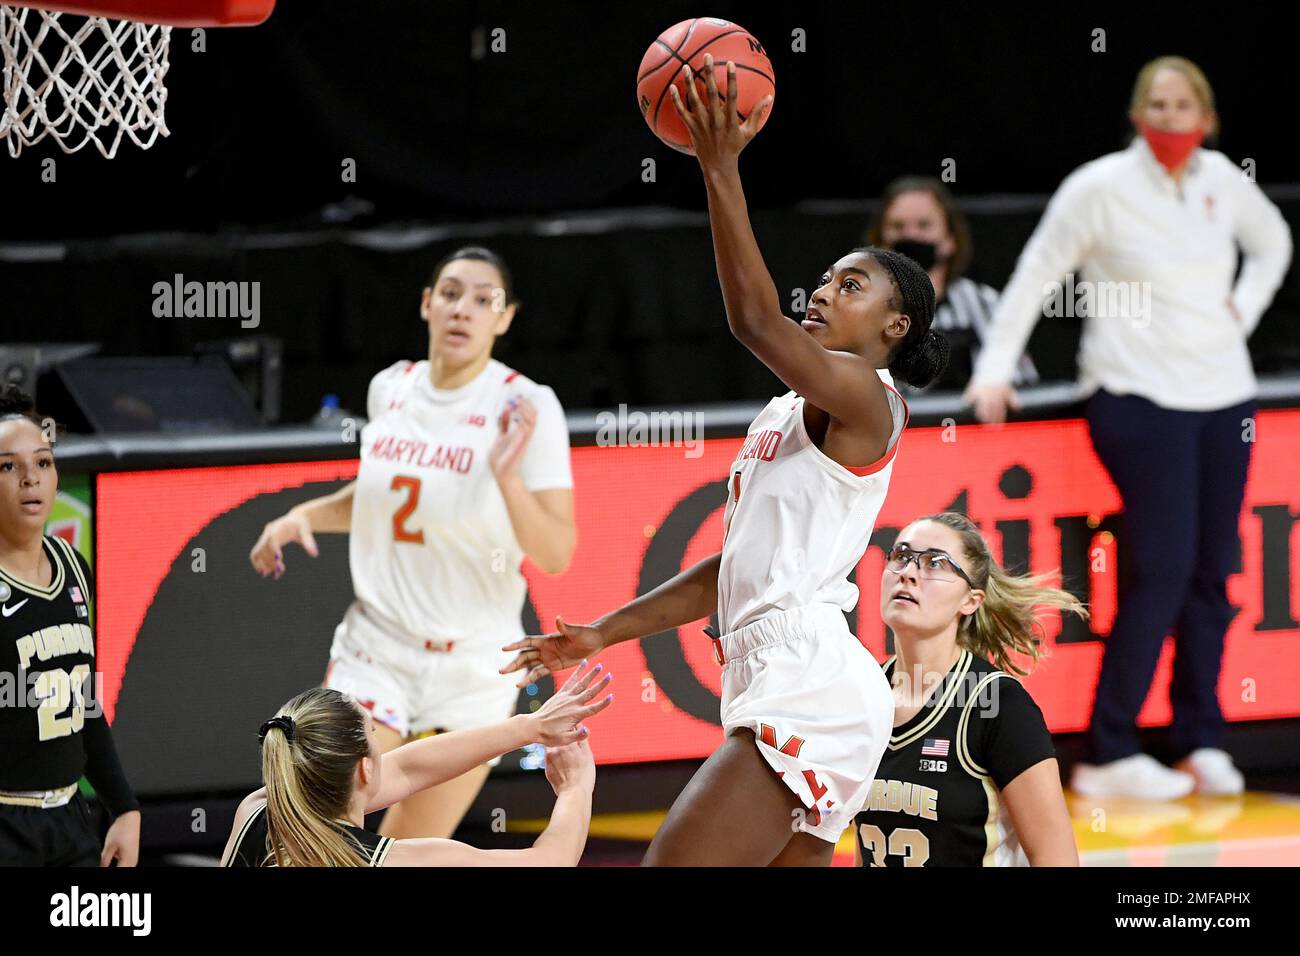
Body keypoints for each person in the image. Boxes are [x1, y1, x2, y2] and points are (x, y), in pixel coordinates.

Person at [502, 55, 949, 866]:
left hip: (810, 679)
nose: (820, 293)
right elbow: (729, 570)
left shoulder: (869, 400)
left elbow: (753, 321)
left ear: (894, 330)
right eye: (822, 280)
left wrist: (719, 167)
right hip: (777, 672)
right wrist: (603, 632)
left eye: (850, 287)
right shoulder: (792, 411)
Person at [963, 56, 1292, 798]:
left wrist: (1243, 306)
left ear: (1206, 117)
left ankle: (1200, 736)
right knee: (1163, 568)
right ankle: (1111, 748)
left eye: (1183, 105)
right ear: (1138, 114)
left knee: (1214, 572)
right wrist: (995, 367)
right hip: (1137, 397)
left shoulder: (1220, 182)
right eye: (1157, 103)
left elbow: (1273, 242)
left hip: (1224, 397)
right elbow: (1037, 273)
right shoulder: (1099, 187)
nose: (1170, 117)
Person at [249, 246, 576, 839]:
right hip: (381, 644)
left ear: (505, 319)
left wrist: (506, 478)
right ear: (427, 303)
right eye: (451, 293)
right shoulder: (390, 388)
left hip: (477, 662)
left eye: (485, 300)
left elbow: (556, 552)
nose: (463, 310)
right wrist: (305, 515)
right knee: (325, 819)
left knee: (410, 845)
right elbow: (384, 493)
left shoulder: (527, 405)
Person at [855, 512, 1083, 867]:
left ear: (970, 601)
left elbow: (1056, 858)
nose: (909, 573)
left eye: (936, 563)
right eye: (901, 556)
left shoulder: (998, 705)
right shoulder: (864, 693)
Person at [221, 660, 610, 866]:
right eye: (374, 734)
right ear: (364, 770)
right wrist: (576, 788)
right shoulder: (408, 861)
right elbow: (549, 862)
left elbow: (408, 769)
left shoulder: (255, 813)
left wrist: (531, 728)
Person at [0, 385, 140, 866]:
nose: (29, 479)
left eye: (42, 462)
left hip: (71, 821)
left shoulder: (74, 567)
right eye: (8, 466)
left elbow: (84, 699)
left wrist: (124, 807)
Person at [864, 176, 1039, 393]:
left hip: (970, 424)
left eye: (924, 225)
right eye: (897, 227)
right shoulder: (859, 308)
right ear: (881, 241)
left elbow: (1022, 385)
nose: (910, 236)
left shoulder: (982, 302)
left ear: (950, 240)